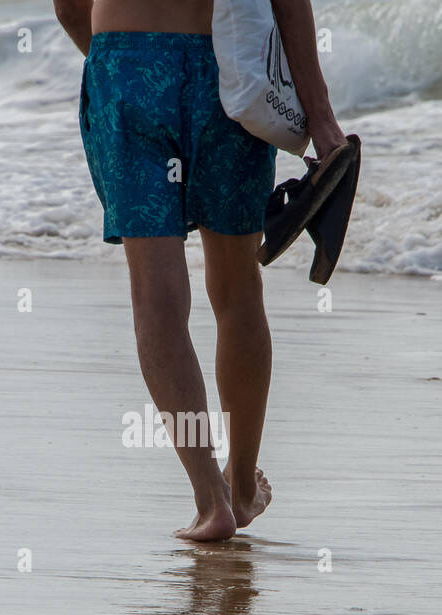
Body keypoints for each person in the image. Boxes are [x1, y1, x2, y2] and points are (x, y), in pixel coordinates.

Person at [54, 0, 348, 541]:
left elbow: (69, 5)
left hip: (126, 60)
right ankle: (240, 486)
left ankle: (209, 498)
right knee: (237, 288)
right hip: (226, 70)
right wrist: (322, 119)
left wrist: (119, 70)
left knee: (156, 296)